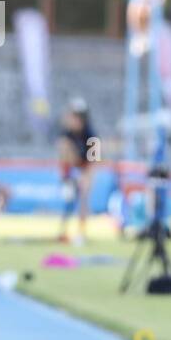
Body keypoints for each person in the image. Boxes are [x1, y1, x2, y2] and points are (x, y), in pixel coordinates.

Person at [56, 98, 96, 245]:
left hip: (85, 169)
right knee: (69, 200)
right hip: (71, 170)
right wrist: (67, 174)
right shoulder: (66, 134)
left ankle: (81, 232)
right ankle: (63, 231)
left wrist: (85, 177)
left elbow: (93, 161)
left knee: (84, 199)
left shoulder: (91, 134)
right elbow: (63, 155)